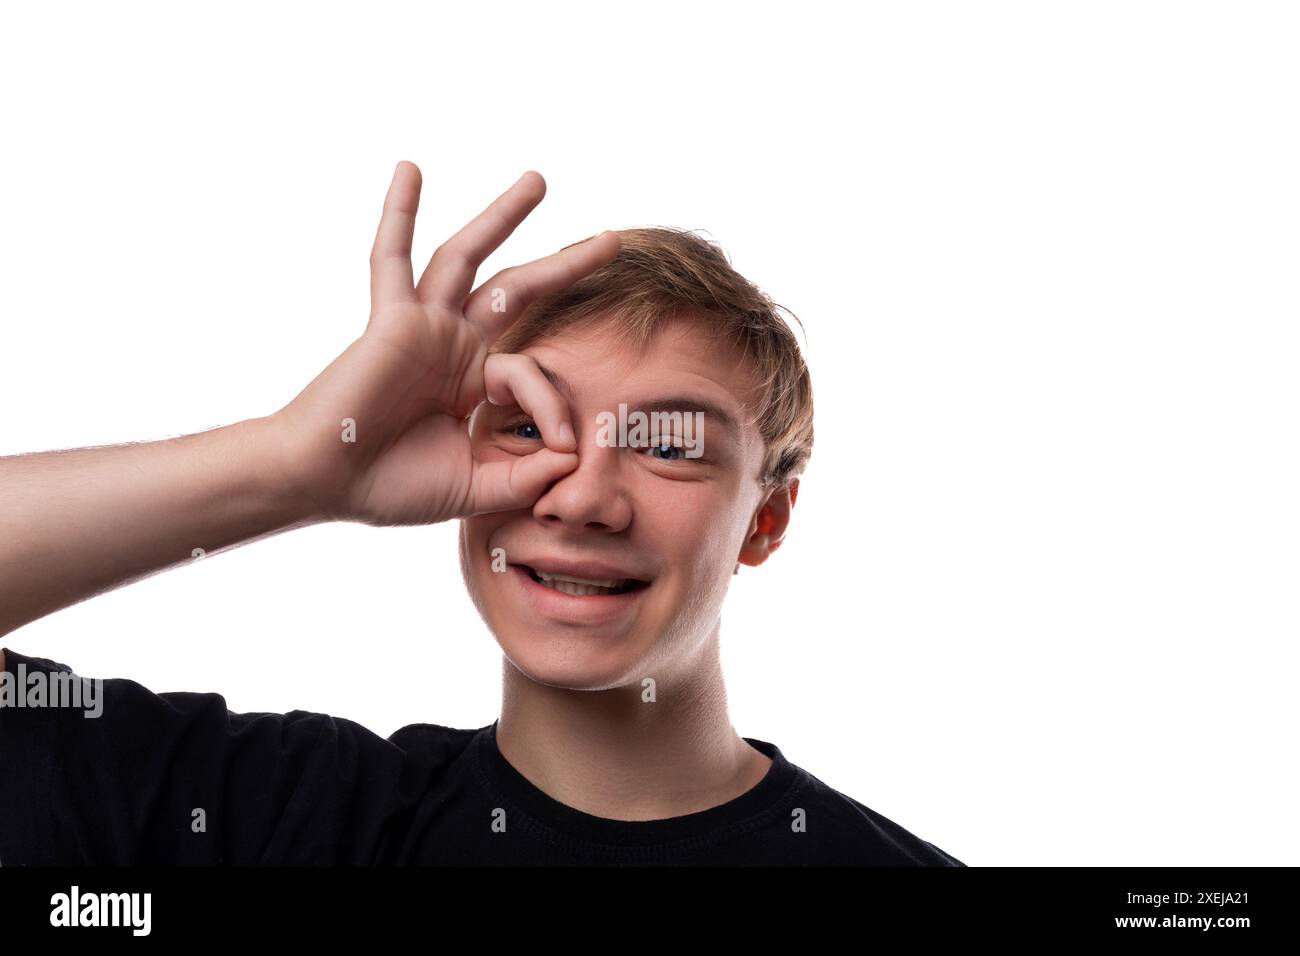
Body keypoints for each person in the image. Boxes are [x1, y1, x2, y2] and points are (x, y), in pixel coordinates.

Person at [0, 162, 964, 866]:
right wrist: (299, 462)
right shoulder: (279, 823)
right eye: (526, 425)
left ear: (767, 519)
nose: (584, 495)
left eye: (670, 444)